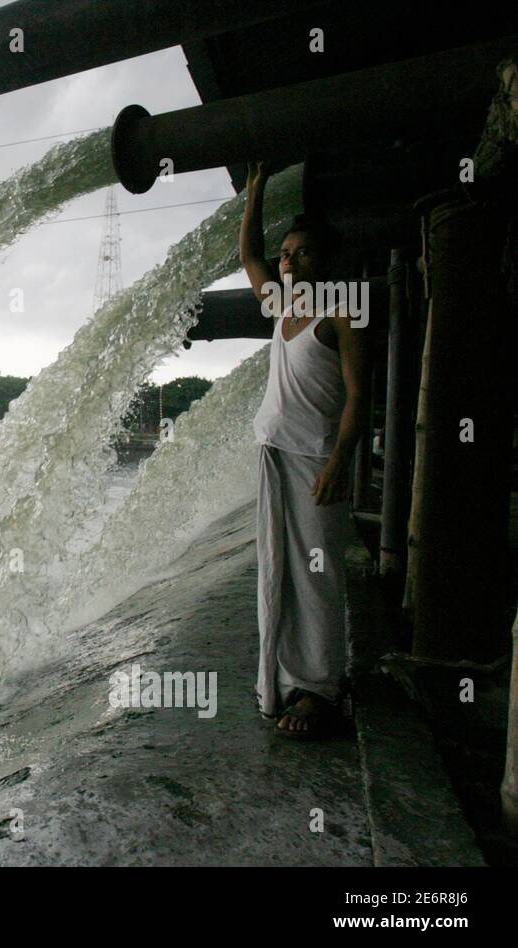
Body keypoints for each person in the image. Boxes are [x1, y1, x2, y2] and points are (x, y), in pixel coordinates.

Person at [239, 161, 369, 739]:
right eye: (286, 253)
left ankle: (319, 689)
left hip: (316, 461)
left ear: (327, 263)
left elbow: (359, 396)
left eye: (303, 254)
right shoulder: (281, 309)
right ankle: (283, 681)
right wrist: (256, 190)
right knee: (278, 573)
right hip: (273, 451)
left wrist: (340, 461)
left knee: (317, 576)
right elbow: (249, 256)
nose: (288, 261)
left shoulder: (342, 312)